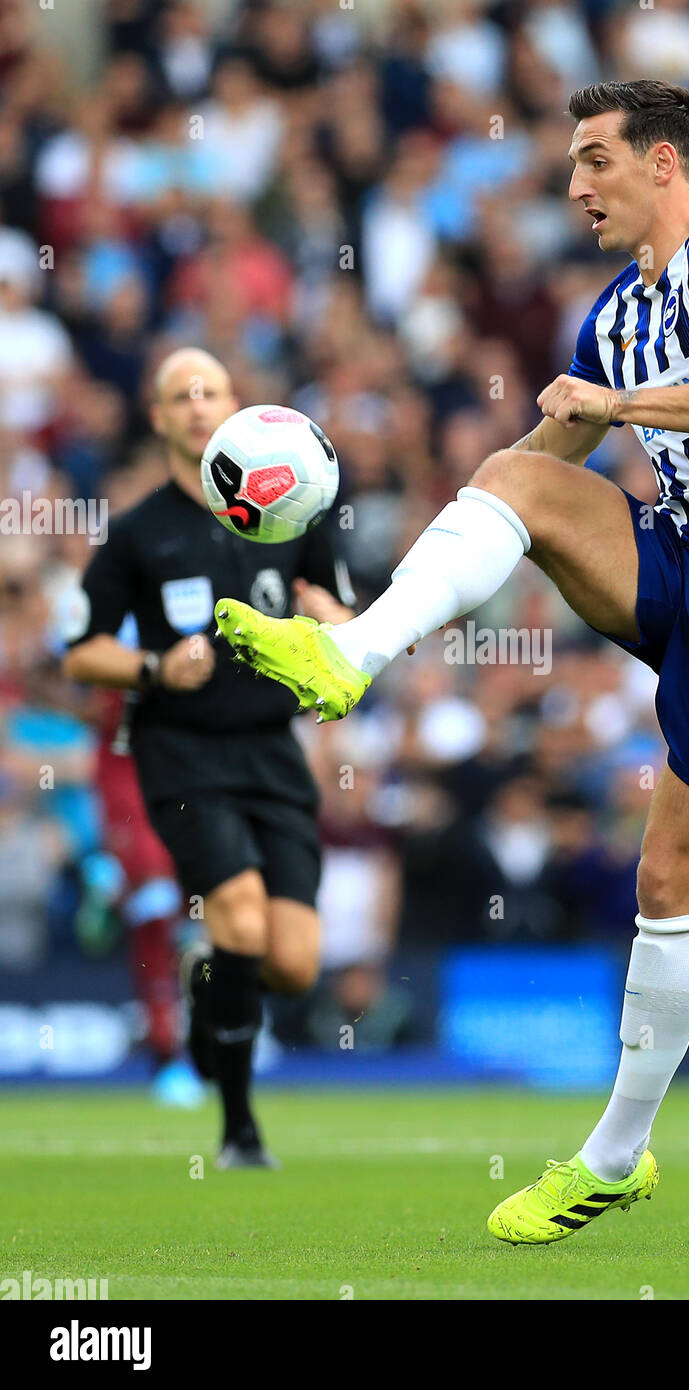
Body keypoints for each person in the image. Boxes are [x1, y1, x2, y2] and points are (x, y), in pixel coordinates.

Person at [214, 80, 689, 1234]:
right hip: (683, 562)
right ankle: (350, 652)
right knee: (518, 479)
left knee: (669, 885)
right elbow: (523, 471)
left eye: (596, 162)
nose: (576, 187)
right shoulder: (613, 316)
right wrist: (385, 600)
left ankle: (617, 1154)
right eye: (573, 167)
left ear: (664, 164)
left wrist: (622, 403)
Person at [63, 347, 354, 1167]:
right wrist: (155, 667)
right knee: (243, 920)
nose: (196, 406)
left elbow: (333, 609)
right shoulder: (138, 532)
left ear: (235, 407)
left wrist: (334, 616)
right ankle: (238, 1129)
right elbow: (82, 652)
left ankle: (207, 989)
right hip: (181, 750)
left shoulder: (293, 506)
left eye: (212, 391)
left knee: (292, 965)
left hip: (271, 749)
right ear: (157, 417)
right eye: (179, 395)